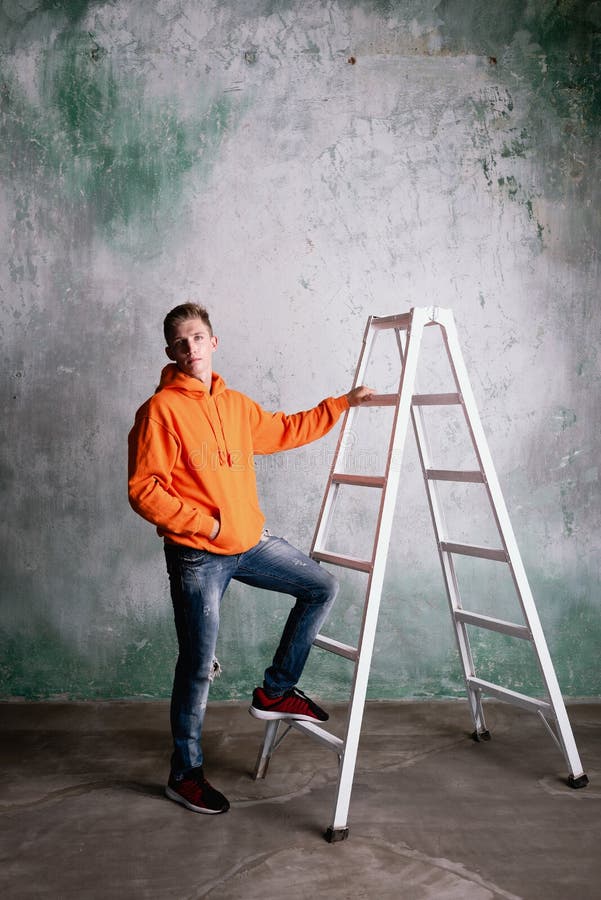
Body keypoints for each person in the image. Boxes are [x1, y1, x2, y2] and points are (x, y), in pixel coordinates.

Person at [128, 303, 373, 815]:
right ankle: (184, 775)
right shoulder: (160, 411)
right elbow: (144, 490)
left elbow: (285, 430)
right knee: (197, 666)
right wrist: (209, 526)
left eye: (198, 337)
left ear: (213, 342)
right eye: (181, 342)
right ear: (171, 352)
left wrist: (342, 403)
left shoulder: (236, 405)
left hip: (249, 544)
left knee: (320, 586)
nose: (191, 348)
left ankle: (277, 691)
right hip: (198, 555)